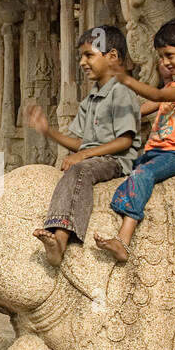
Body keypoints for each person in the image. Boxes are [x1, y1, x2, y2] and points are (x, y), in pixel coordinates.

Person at [27, 25, 142, 268]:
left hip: (114, 160)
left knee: (79, 172)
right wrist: (49, 131)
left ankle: (60, 240)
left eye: (88, 55)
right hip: (93, 156)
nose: (82, 62)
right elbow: (80, 141)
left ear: (111, 57)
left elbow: (125, 140)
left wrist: (84, 155)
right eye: (81, 56)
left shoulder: (121, 92)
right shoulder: (90, 99)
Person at [95, 18, 175, 263]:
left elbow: (157, 94)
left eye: (169, 55)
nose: (164, 62)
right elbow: (144, 108)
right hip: (156, 152)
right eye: (161, 57)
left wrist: (124, 78)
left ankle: (123, 239)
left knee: (142, 175)